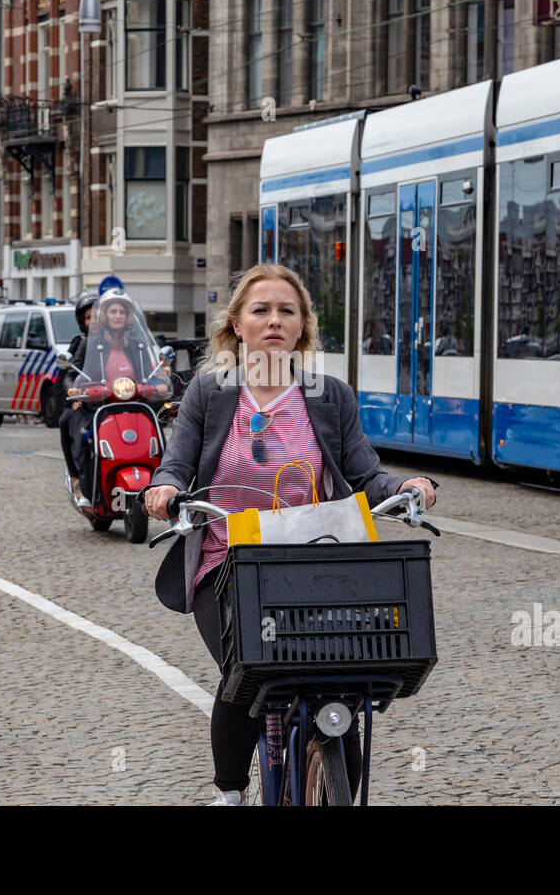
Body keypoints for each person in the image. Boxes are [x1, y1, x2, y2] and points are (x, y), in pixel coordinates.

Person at [141, 264, 436, 806]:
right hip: (227, 561)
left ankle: (333, 779)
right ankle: (230, 792)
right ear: (236, 324)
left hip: (312, 564)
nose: (274, 320)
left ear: (302, 326)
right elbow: (175, 465)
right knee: (248, 671)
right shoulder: (209, 393)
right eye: (261, 310)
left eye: (287, 311)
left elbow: (366, 473)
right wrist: (163, 491)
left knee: (337, 677)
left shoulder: (329, 395)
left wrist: (408, 484)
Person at [66, 288, 168, 499]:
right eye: (113, 312)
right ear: (104, 315)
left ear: (129, 315)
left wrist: (160, 382)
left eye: (122, 312)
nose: (118, 316)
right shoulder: (90, 343)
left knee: (160, 437)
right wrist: (73, 388)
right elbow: (72, 371)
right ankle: (87, 490)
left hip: (135, 404)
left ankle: (166, 488)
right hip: (99, 406)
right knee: (86, 438)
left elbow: (150, 372)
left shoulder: (137, 344)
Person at [59, 292, 96, 506]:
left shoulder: (124, 342)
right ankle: (76, 477)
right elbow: (67, 376)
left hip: (116, 399)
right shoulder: (81, 343)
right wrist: (73, 393)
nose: (93, 321)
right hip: (87, 401)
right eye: (89, 317)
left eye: (96, 317)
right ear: (82, 321)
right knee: (66, 421)